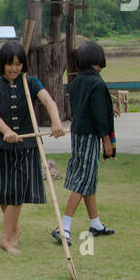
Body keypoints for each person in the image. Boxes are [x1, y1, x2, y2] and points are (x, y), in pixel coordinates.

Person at [0, 41, 66, 254]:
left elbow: (49, 102)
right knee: (2, 192)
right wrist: (6, 131)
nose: (14, 68)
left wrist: (56, 122)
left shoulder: (31, 82)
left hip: (26, 146)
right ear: (2, 64)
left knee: (17, 192)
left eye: (19, 64)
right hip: (0, 145)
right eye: (10, 64)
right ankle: (14, 228)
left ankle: (5, 239)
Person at [56, 41, 115, 244]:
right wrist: (106, 140)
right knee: (83, 180)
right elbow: (99, 115)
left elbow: (86, 106)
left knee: (88, 177)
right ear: (99, 60)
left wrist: (108, 108)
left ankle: (95, 223)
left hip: (78, 133)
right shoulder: (97, 83)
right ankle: (64, 225)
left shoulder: (78, 80)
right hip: (91, 135)